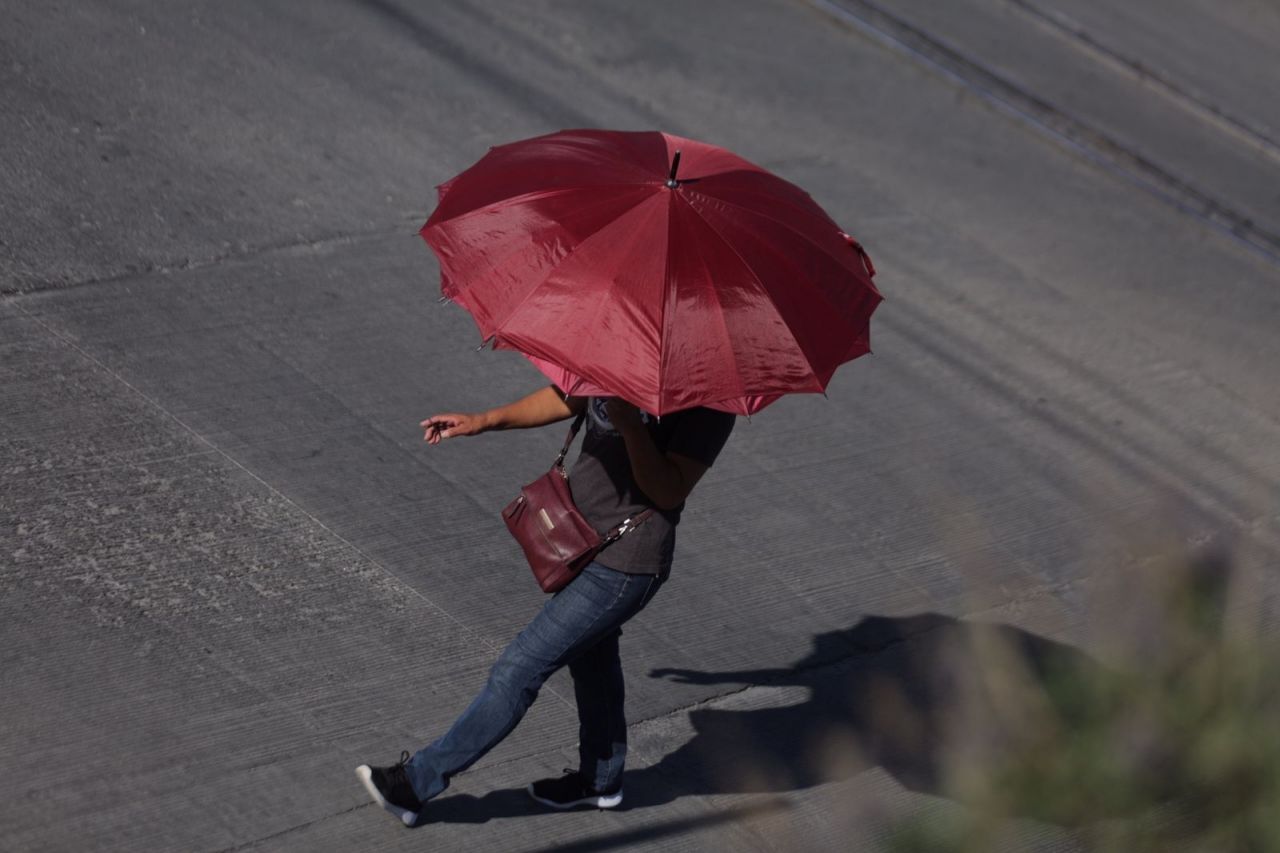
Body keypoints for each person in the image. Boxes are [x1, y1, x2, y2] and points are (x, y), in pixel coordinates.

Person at [356, 384, 736, 826]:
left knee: (520, 667)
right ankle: (601, 779)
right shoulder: (626, 349)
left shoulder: (711, 402)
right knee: (593, 663)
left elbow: (669, 491)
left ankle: (416, 784)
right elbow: (571, 398)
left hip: (623, 564)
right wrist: (483, 420)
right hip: (579, 538)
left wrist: (631, 424)